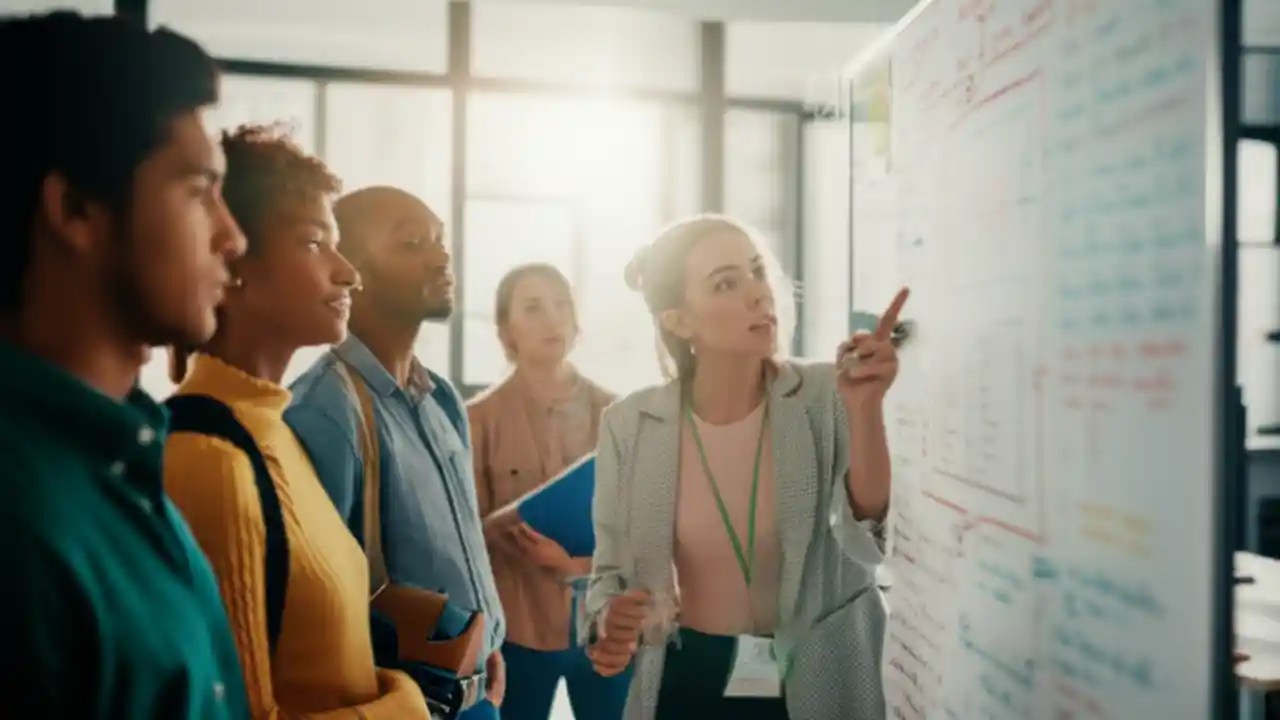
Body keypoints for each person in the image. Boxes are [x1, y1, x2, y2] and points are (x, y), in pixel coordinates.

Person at [0, 12, 249, 718]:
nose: (231, 237)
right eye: (199, 191)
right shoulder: (22, 518)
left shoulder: (124, 463)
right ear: (76, 208)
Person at [583, 215, 908, 720]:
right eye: (726, 284)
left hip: (820, 673)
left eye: (757, 273)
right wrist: (610, 617)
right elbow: (609, 573)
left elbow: (867, 542)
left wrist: (865, 409)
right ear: (679, 321)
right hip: (691, 676)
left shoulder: (828, 394)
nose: (759, 294)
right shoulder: (631, 424)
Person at [163, 127, 430, 719]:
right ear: (230, 256)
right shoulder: (210, 459)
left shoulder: (275, 430)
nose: (348, 274)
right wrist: (406, 707)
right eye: (314, 243)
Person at [287, 186, 507, 719]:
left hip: (480, 697)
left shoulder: (443, 398)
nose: (441, 255)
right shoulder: (325, 409)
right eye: (412, 243)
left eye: (440, 240)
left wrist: (490, 646)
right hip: (406, 704)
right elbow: (317, 604)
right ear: (351, 270)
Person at [467, 264, 628, 720]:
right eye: (533, 308)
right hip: (517, 632)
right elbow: (466, 537)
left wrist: (575, 565)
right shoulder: (476, 420)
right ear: (506, 330)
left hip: (606, 628)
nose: (551, 319)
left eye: (561, 305)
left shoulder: (618, 414)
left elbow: (648, 532)